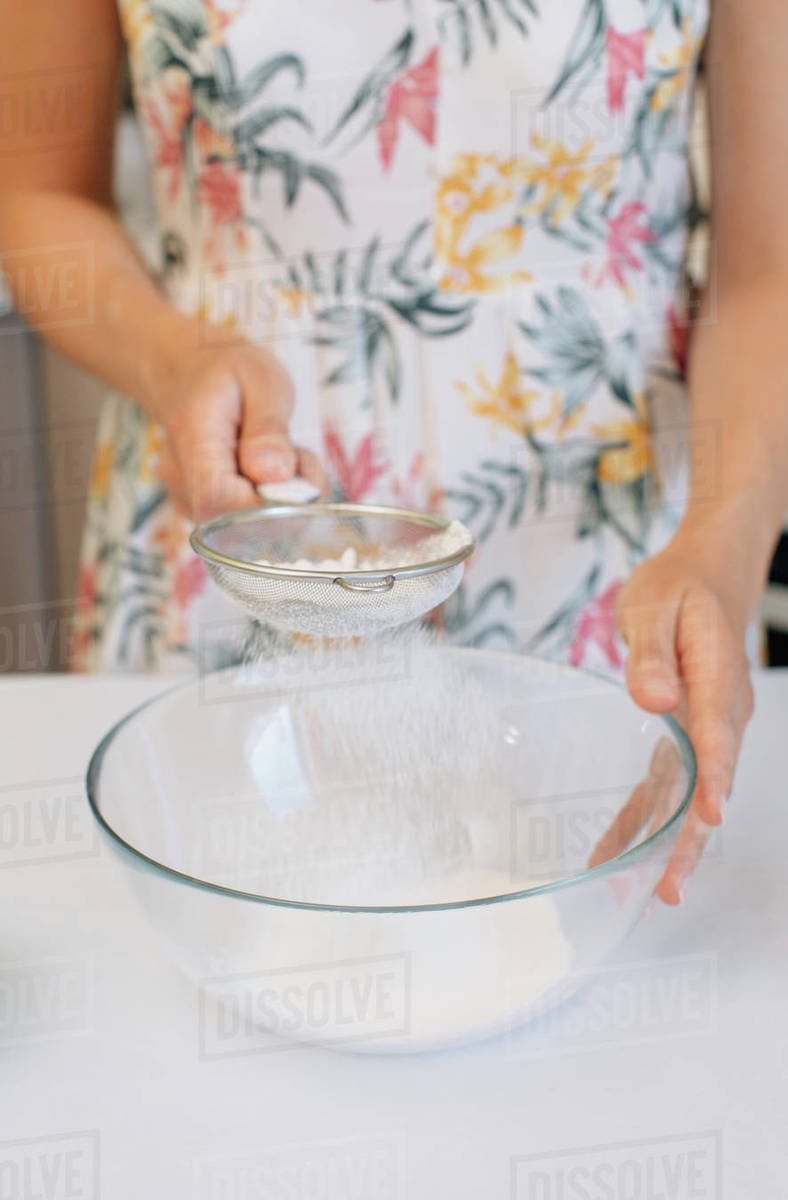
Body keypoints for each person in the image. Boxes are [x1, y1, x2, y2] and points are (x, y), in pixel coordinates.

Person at [1, 0, 786, 906]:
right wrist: (173, 363)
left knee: (601, 966)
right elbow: (39, 192)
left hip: (619, 570)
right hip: (229, 516)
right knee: (222, 948)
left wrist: (721, 552)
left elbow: (768, 269)